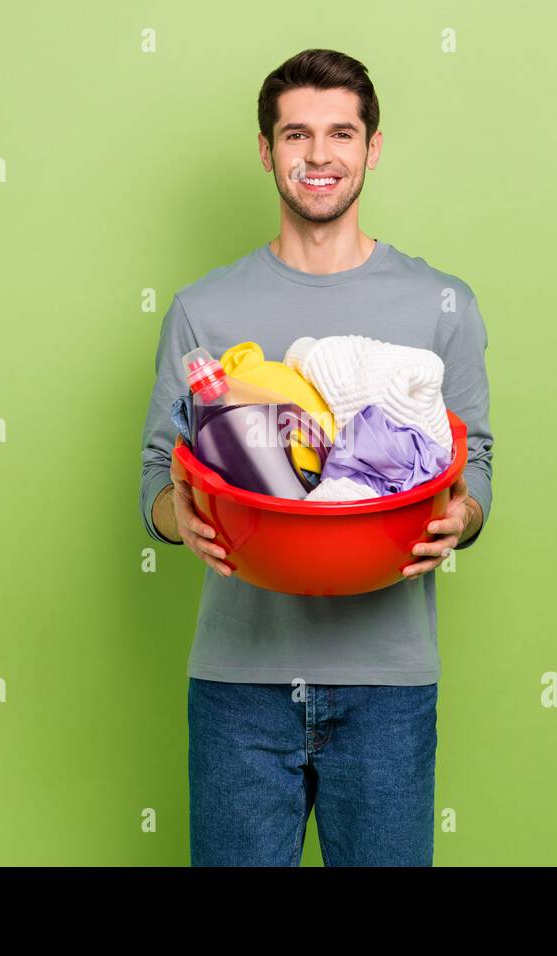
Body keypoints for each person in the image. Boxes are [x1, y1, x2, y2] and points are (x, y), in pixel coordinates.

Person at [137, 48, 494, 866]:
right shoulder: (204, 308)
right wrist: (179, 515)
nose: (319, 156)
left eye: (341, 133)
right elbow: (160, 471)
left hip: (387, 685)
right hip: (239, 683)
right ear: (266, 151)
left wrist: (462, 515)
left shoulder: (442, 305)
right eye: (297, 135)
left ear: (373, 147)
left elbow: (475, 463)